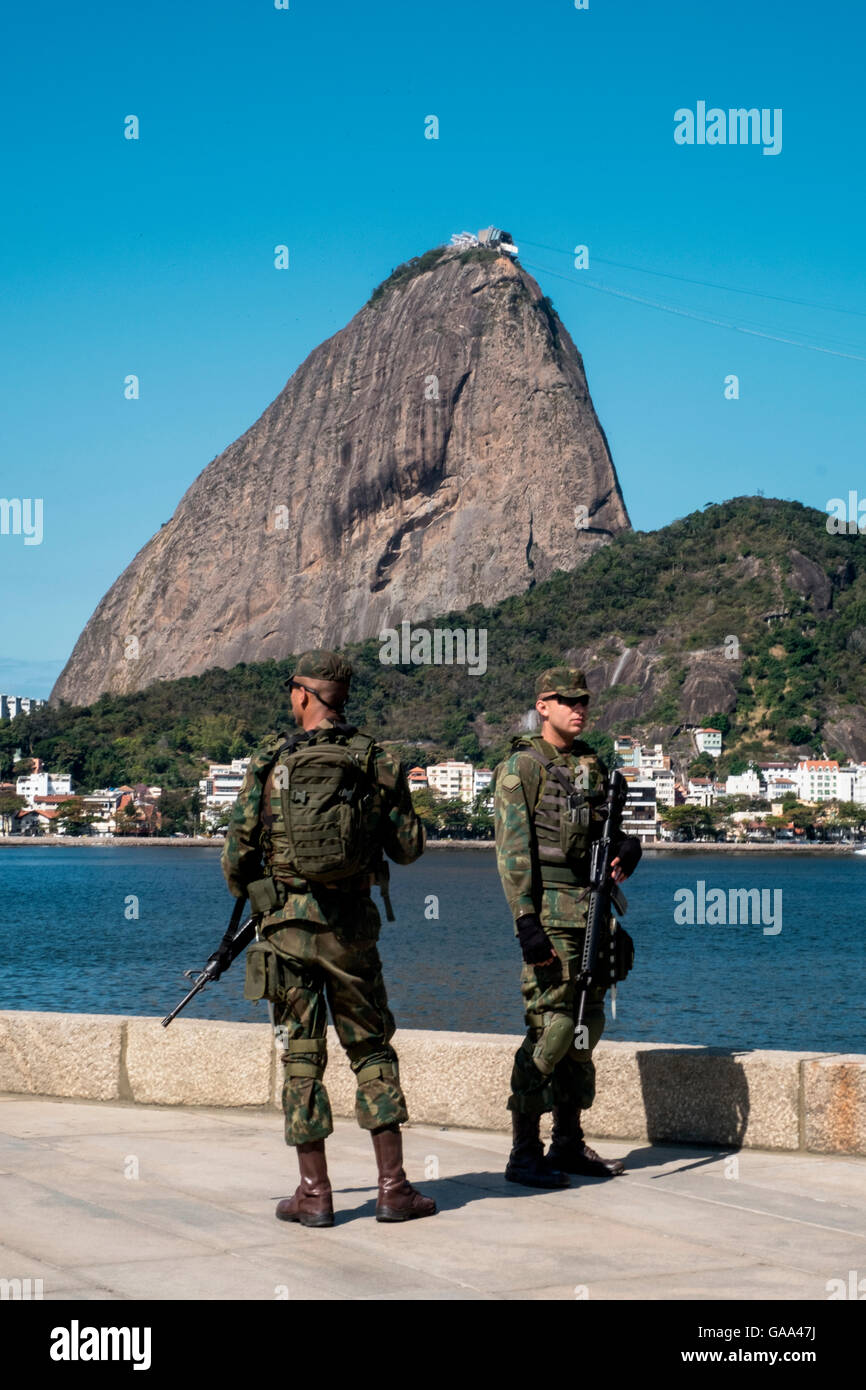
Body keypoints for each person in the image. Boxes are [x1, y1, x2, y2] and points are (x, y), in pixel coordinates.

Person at [219, 650, 436, 1227]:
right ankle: (393, 1189)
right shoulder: (375, 757)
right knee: (370, 1049)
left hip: (287, 930)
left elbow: (236, 856)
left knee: (301, 1056)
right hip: (351, 932)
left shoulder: (269, 760)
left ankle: (314, 1195)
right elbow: (409, 849)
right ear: (343, 696)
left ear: (302, 695)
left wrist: (269, 890)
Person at [493, 666, 642, 1188]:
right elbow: (513, 854)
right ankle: (523, 1151)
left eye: (584, 701)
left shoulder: (593, 767)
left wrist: (628, 848)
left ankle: (568, 1144)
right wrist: (526, 922)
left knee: (585, 1028)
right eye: (568, 701)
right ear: (544, 705)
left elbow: (608, 835)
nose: (579, 709)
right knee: (550, 1029)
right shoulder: (522, 767)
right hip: (550, 917)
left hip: (593, 911)